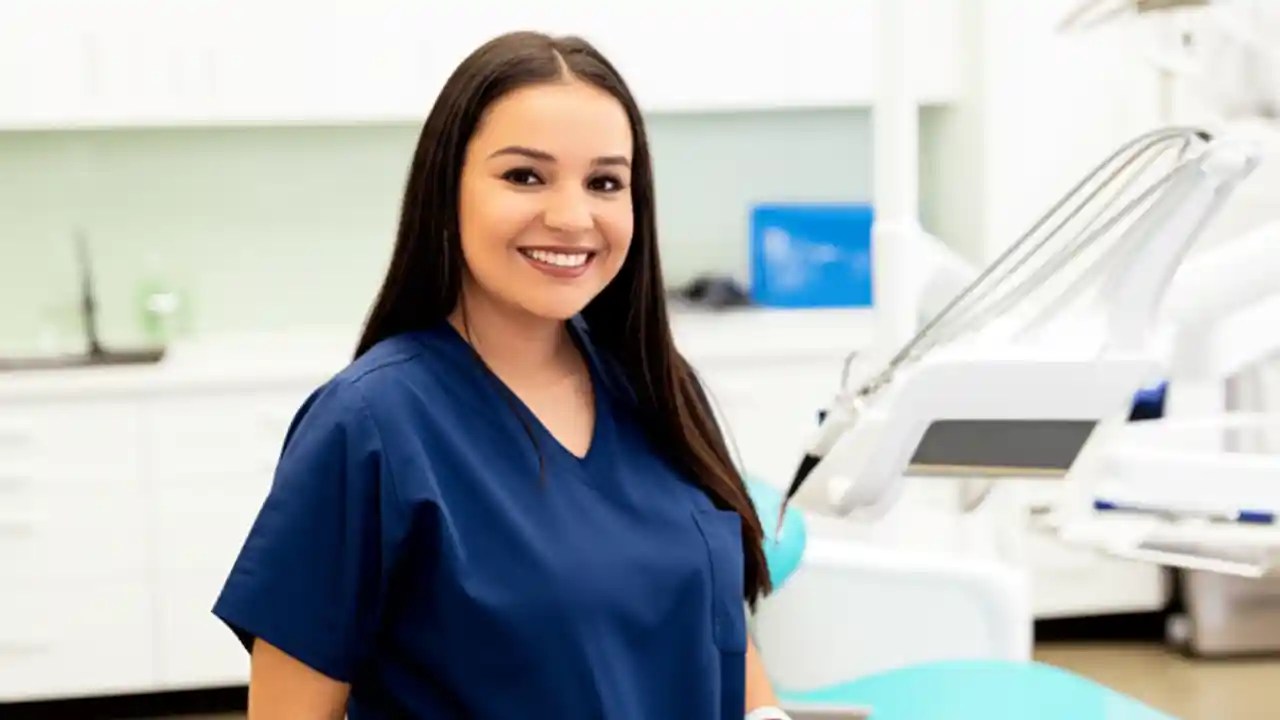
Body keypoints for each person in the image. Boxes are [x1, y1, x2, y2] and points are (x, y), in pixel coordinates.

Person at [212, 30, 790, 719]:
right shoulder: (371, 425)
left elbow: (720, 623)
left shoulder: (656, 386)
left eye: (605, 182)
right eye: (524, 176)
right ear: (447, 187)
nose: (572, 217)